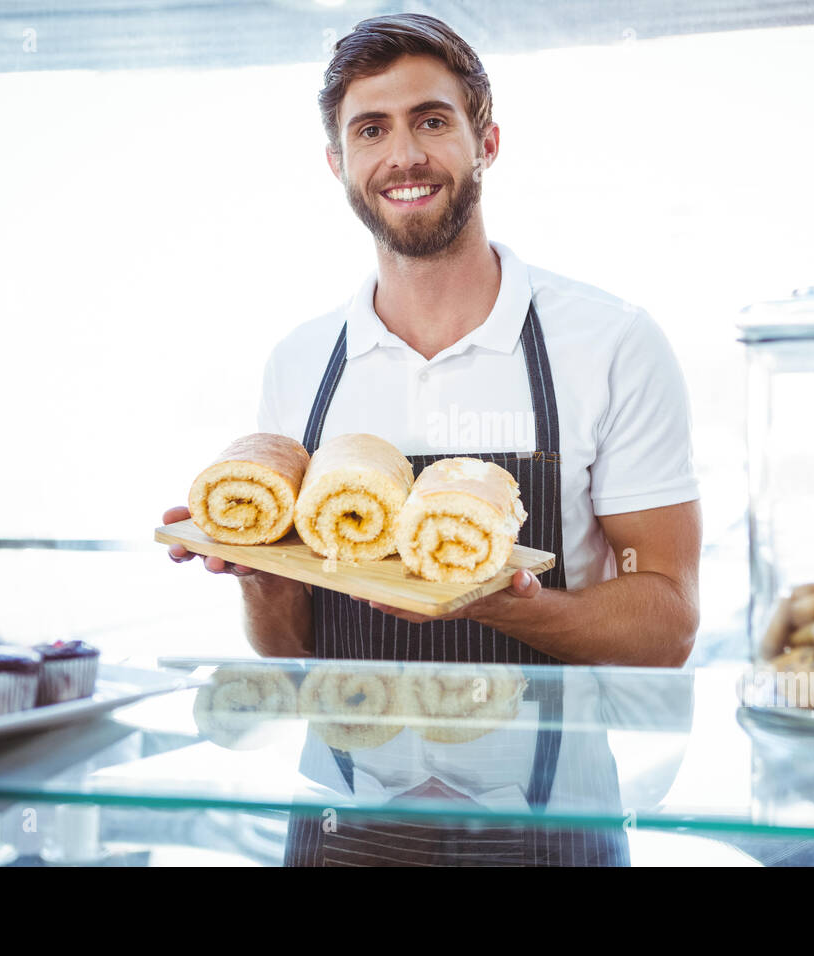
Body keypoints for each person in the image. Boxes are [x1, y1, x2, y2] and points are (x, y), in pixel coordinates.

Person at [164, 13, 702, 865]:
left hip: (550, 830)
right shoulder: (302, 363)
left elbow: (667, 623)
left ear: (486, 140)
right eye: (370, 130)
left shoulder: (609, 343)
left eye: (432, 120)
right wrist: (256, 574)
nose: (403, 155)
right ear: (337, 164)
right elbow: (291, 652)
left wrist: (507, 603)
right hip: (342, 830)